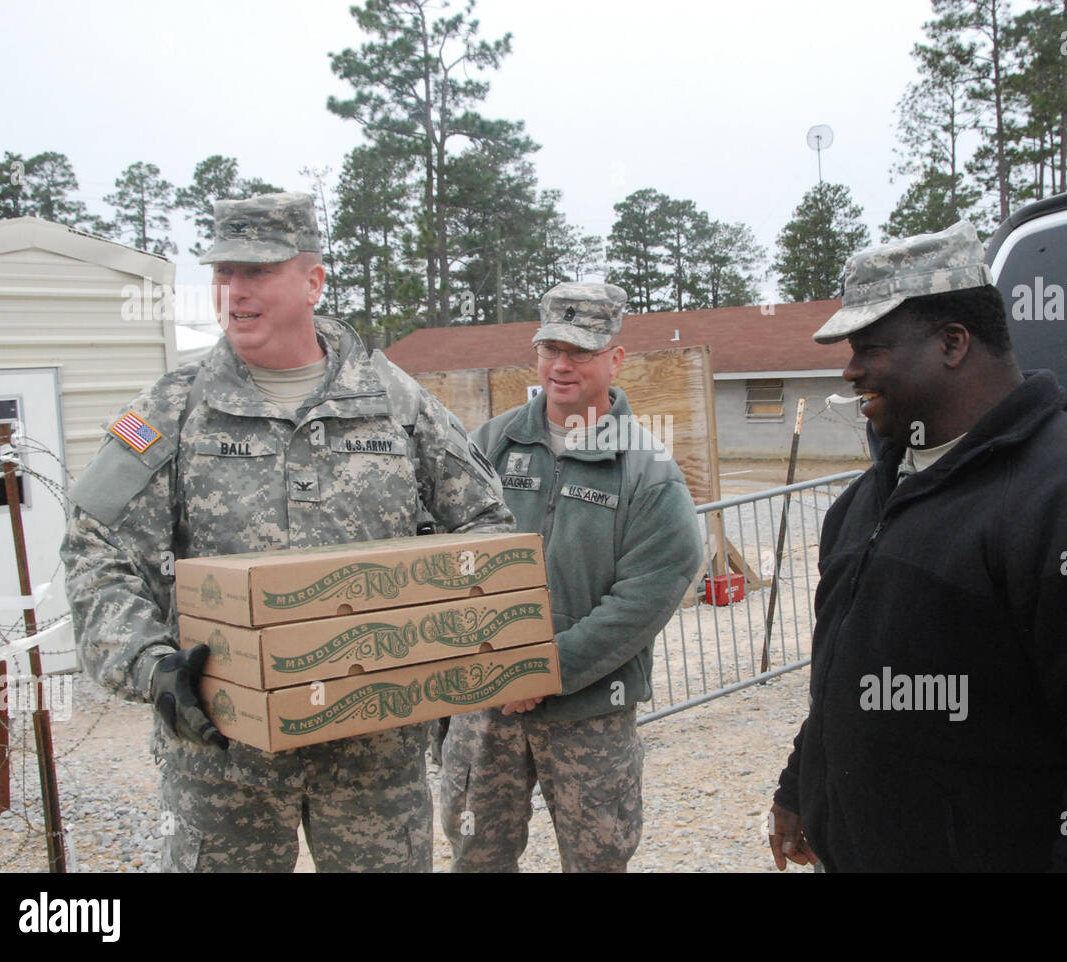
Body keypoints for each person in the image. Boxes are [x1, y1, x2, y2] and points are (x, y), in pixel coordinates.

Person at [60, 192, 512, 873]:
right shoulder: (174, 407)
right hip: (222, 757)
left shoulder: (392, 400)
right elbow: (96, 544)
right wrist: (152, 667)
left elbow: (485, 528)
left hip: (374, 753)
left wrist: (446, 648)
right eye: (223, 273)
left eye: (256, 273)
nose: (234, 292)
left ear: (312, 280)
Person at [768, 221, 1067, 872]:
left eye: (871, 347)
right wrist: (800, 789)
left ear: (953, 343)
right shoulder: (865, 501)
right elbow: (843, 679)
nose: (851, 369)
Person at [439, 281, 703, 872]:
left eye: (581, 351)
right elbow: (440, 555)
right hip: (486, 707)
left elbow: (650, 589)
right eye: (550, 347)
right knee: (475, 853)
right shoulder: (489, 444)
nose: (562, 365)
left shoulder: (646, 468)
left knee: (596, 860)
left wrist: (545, 668)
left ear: (615, 358)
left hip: (589, 711)